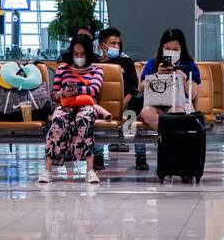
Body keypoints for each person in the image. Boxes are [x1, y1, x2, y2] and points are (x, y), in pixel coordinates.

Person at [39, 34, 107, 185]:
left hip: (86, 105)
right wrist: (64, 92)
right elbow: (55, 94)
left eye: (82, 54)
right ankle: (47, 170)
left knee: (85, 121)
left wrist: (76, 89)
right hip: (66, 104)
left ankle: (90, 170)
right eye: (76, 54)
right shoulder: (63, 69)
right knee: (57, 122)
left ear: (88, 53)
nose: (79, 57)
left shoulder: (97, 69)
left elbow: (94, 89)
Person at [95, 27, 148, 171]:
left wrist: (123, 102)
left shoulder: (126, 61)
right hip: (103, 106)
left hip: (127, 105)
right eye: (112, 43)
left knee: (137, 108)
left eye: (118, 43)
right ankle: (98, 156)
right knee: (97, 122)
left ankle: (140, 156)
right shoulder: (96, 63)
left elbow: (133, 86)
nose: (116, 47)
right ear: (103, 45)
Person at [137, 28, 201, 135]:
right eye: (167, 48)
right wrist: (156, 76)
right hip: (156, 104)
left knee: (176, 112)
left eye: (175, 49)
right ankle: (169, 137)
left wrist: (182, 78)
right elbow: (141, 88)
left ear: (181, 49)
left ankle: (167, 139)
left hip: (180, 104)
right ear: (162, 48)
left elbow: (193, 94)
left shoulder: (189, 65)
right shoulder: (153, 63)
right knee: (146, 112)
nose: (171, 52)